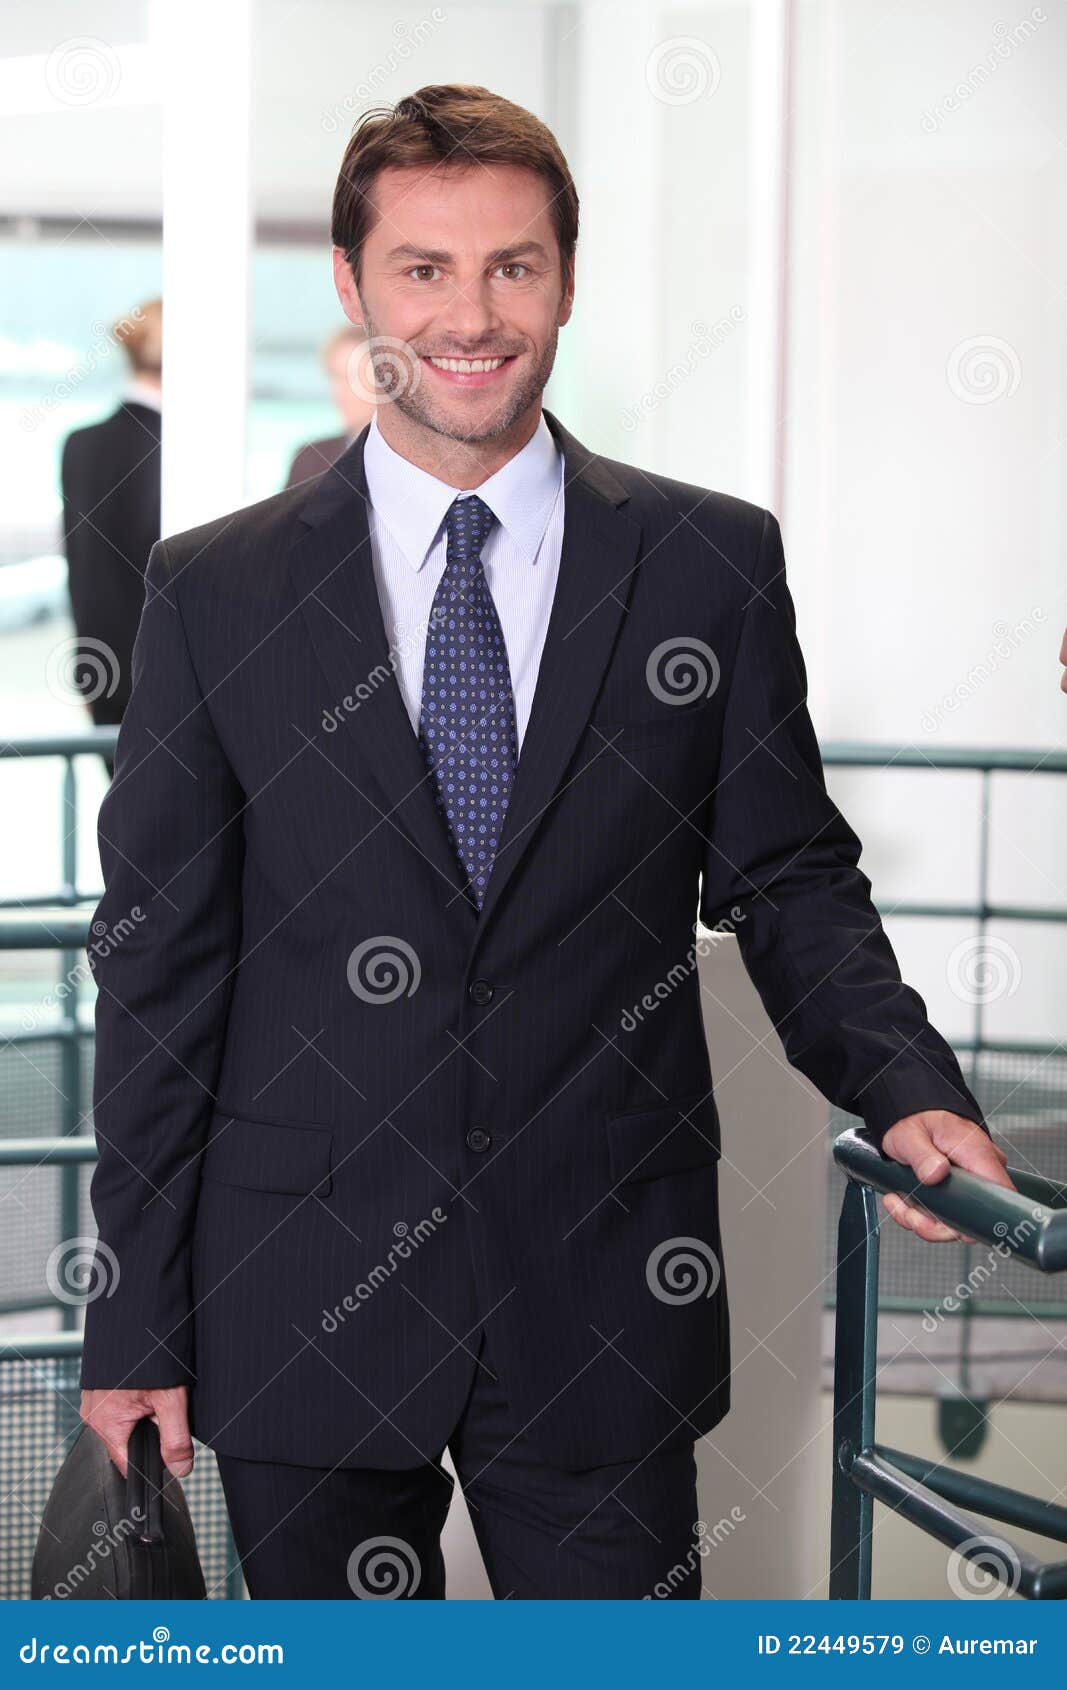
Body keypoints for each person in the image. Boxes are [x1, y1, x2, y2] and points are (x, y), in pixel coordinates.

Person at [79, 85, 1014, 1601]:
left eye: (512, 265)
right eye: (423, 269)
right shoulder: (216, 593)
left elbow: (784, 874)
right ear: (352, 283)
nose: (470, 315)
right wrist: (131, 1324)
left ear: (566, 279)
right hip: (298, 1288)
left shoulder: (706, 562)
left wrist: (904, 1087)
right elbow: (157, 979)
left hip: (600, 1284)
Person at [61, 299, 162, 774]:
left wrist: (89, 674)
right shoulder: (179, 445)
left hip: (102, 675)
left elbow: (80, 567)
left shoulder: (80, 445)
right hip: (171, 681)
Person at [285, 324, 375, 487]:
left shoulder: (415, 460)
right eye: (334, 377)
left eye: (351, 377)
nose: (339, 392)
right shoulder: (309, 459)